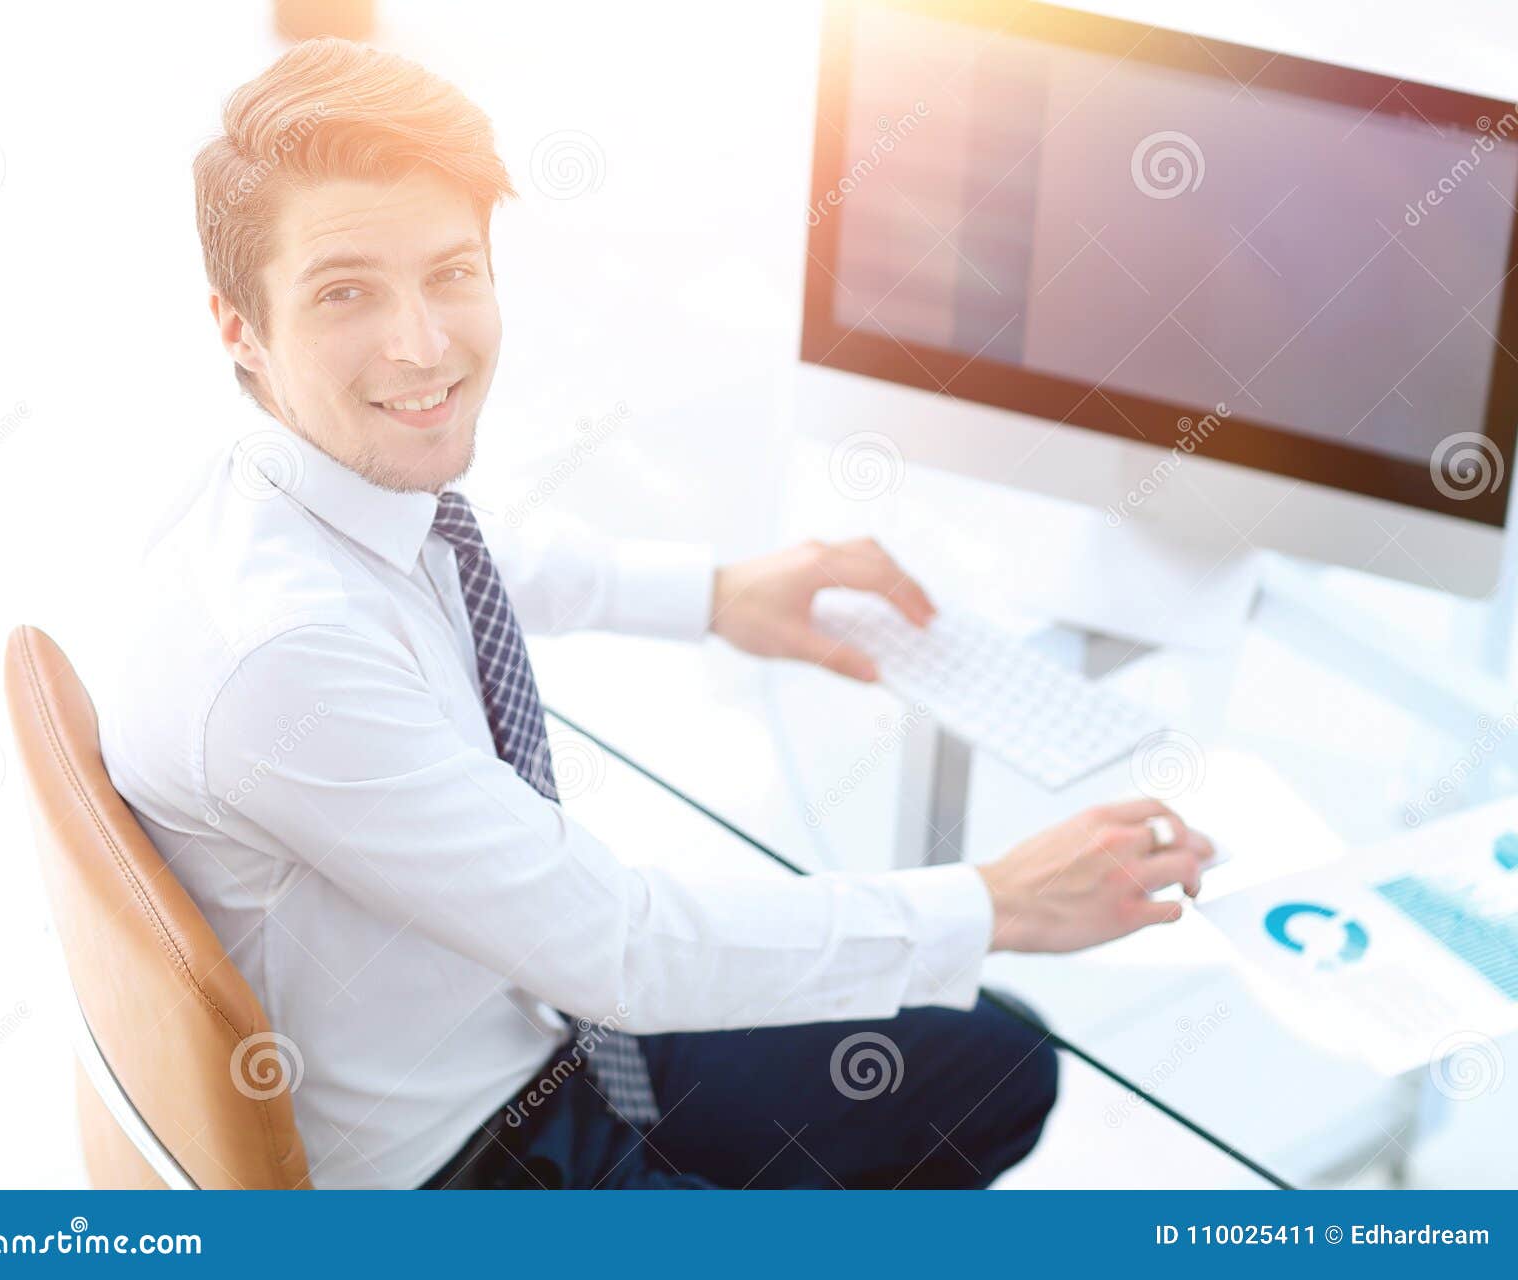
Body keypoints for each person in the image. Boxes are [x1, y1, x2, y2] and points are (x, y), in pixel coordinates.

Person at [101, 36, 1214, 1190]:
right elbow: (619, 946)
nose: (423, 343)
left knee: (996, 1061)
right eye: (346, 291)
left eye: (451, 272)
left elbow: (473, 552)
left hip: (537, 1024)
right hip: (472, 1159)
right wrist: (993, 899)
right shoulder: (286, 660)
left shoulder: (299, 489)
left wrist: (720, 596)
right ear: (238, 324)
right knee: (951, 1015)